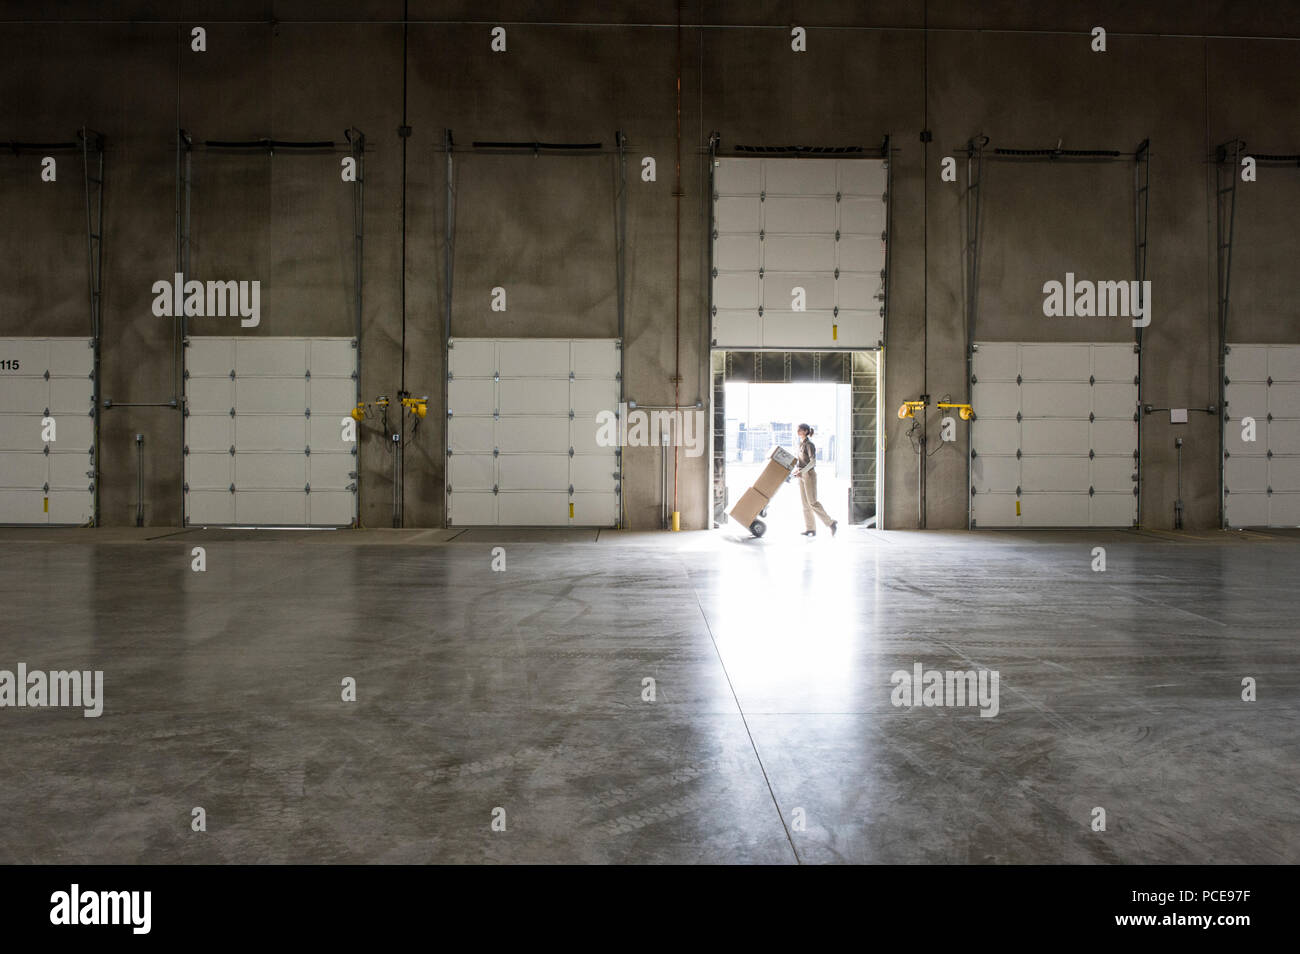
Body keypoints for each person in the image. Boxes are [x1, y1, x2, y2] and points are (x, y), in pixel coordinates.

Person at [791, 424, 838, 537]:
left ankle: (831, 523)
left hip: (809, 475)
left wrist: (802, 471)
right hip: (801, 475)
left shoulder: (809, 445)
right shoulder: (800, 444)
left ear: (806, 431)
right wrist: (797, 470)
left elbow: (813, 462)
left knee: (812, 502)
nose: (798, 431)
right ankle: (810, 529)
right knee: (805, 504)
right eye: (797, 429)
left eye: (800, 430)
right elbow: (800, 460)